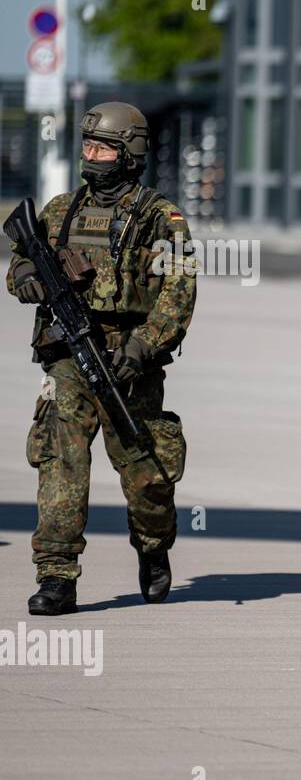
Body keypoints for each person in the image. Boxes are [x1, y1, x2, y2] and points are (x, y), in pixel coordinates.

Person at [6, 102, 196, 614]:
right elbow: (21, 261)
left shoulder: (161, 217)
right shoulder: (61, 208)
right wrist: (26, 278)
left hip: (130, 359)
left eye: (103, 148)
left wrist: (143, 346)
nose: (92, 156)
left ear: (129, 152)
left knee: (145, 473)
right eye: (87, 146)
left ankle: (154, 549)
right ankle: (56, 576)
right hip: (68, 355)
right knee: (60, 459)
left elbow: (179, 291)